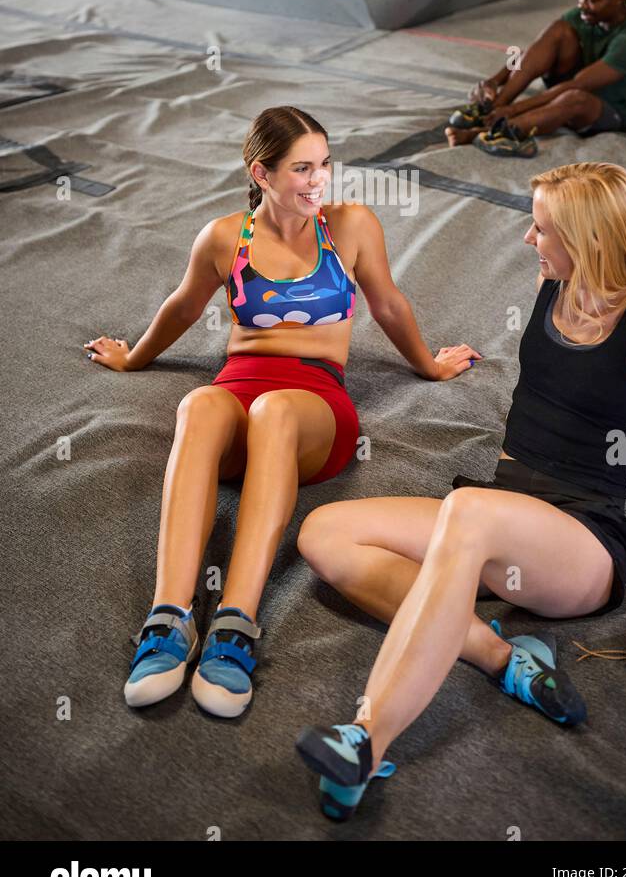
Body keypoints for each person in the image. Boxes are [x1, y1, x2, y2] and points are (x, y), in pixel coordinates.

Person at [294, 162, 626, 821]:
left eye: (543, 228)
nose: (529, 240)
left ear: (589, 237)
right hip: (501, 515)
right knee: (322, 533)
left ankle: (365, 737)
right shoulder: (552, 284)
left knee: (468, 513)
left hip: (580, 544)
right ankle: (501, 658)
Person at [83, 106, 481, 718]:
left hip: (314, 408)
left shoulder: (350, 227)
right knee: (200, 403)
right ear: (261, 173)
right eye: (302, 168)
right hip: (238, 389)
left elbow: (388, 304)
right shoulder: (224, 237)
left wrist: (429, 364)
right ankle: (170, 618)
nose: (318, 179)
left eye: (324, 164)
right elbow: (183, 307)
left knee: (274, 410)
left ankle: (235, 625)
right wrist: (134, 358)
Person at [444, 0, 626, 158]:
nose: (583, 4)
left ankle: (491, 130)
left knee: (575, 99)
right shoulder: (585, 16)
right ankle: (491, 108)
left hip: (612, 112)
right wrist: (494, 82)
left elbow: (577, 86)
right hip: (569, 89)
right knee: (559, 30)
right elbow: (531, 53)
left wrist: (513, 110)